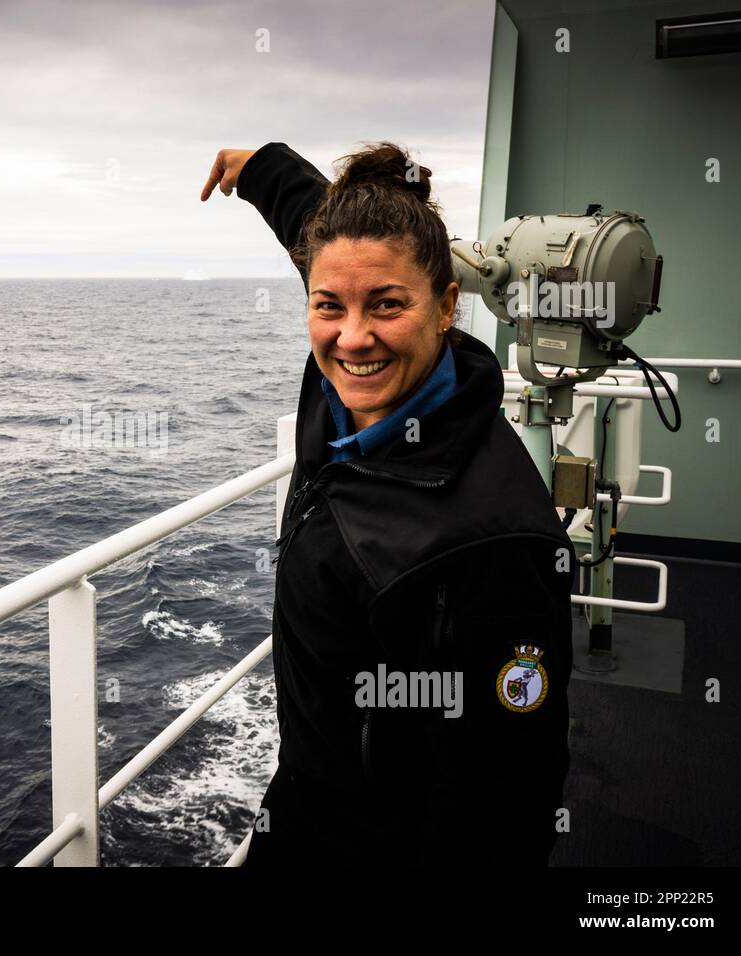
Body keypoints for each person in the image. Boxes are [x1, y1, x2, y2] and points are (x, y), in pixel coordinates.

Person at [201, 143, 575, 866]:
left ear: (446, 308)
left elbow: (514, 792)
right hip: (307, 794)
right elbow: (320, 229)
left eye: (386, 306)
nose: (352, 338)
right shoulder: (350, 388)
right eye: (327, 306)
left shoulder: (491, 544)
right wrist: (261, 168)